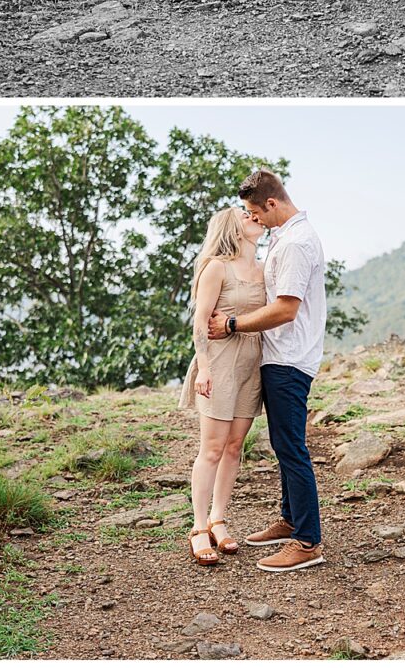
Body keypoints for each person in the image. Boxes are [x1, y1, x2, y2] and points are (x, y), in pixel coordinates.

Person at [205, 169, 327, 572]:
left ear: (272, 204)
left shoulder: (296, 243)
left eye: (254, 211)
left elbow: (286, 308)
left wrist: (233, 325)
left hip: (290, 357)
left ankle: (307, 542)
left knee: (291, 447)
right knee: (282, 443)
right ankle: (291, 519)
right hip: (276, 356)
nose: (253, 218)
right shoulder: (284, 237)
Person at [177, 206, 267, 564]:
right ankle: (199, 528)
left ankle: (219, 519)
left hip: (251, 365)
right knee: (212, 448)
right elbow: (200, 321)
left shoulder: (264, 270)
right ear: (232, 225)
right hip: (219, 363)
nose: (255, 216)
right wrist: (203, 369)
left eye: (256, 213)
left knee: (234, 448)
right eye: (246, 214)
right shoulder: (216, 267)